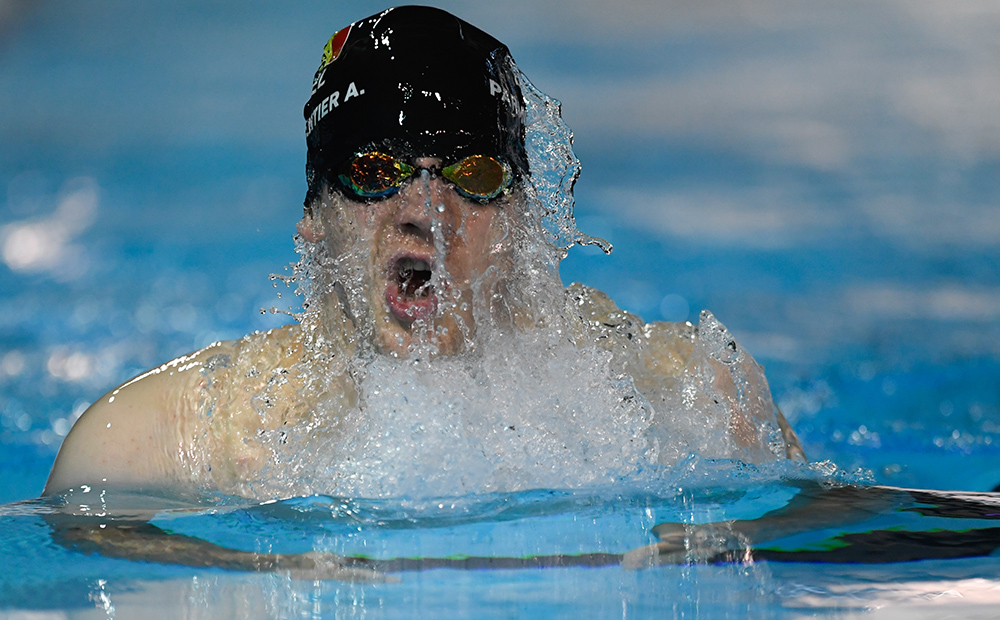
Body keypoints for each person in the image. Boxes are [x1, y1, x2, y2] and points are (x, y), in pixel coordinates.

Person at [43, 6, 803, 500]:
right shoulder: (152, 449)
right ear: (314, 217)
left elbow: (837, 553)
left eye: (474, 175)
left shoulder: (685, 397)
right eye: (376, 171)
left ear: (523, 224)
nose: (427, 213)